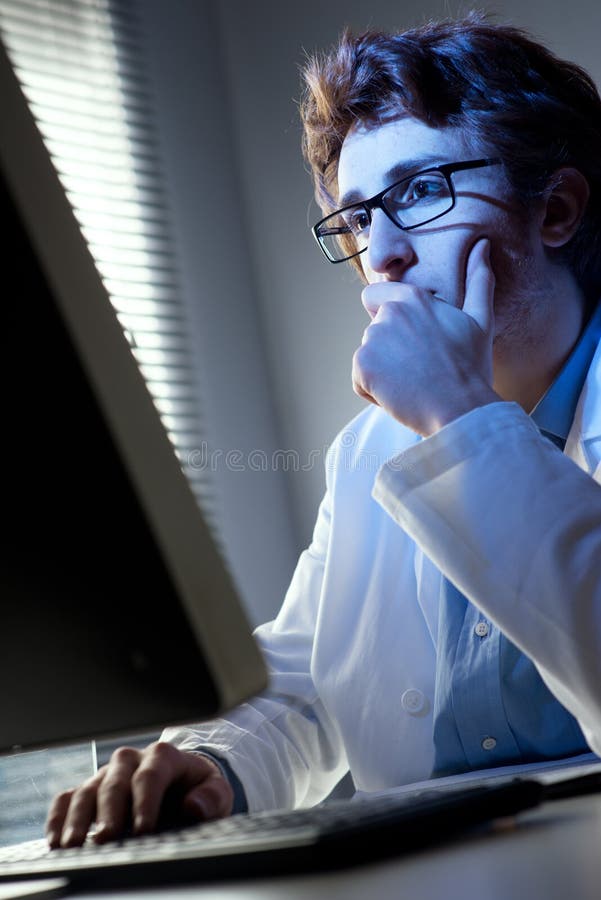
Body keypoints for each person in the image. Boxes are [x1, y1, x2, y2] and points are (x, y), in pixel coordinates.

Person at [47, 12, 601, 848]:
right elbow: (310, 680)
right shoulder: (368, 451)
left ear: (554, 208)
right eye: (357, 218)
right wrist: (214, 763)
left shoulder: (429, 421)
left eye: (419, 191)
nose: (380, 255)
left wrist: (459, 418)